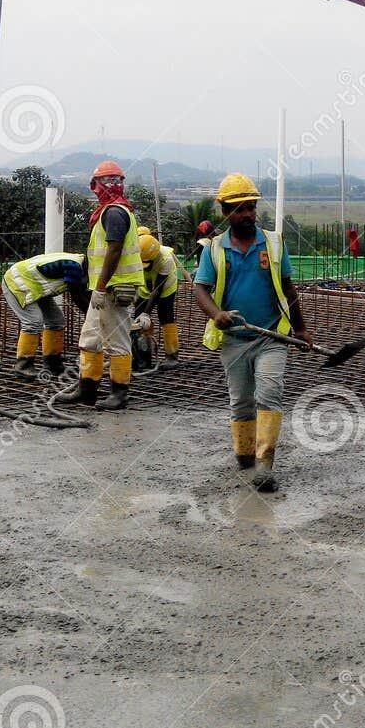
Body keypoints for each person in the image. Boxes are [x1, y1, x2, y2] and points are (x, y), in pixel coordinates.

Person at [193, 173, 313, 492]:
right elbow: (200, 289)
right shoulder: (214, 250)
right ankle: (245, 455)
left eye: (251, 207)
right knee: (241, 400)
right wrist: (216, 315)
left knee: (269, 392)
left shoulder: (273, 243)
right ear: (225, 212)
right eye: (240, 209)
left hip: (271, 337)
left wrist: (301, 328)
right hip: (234, 339)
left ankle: (264, 464)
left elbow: (288, 287)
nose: (247, 214)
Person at [55, 160, 145, 411]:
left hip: (115, 289)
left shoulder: (114, 212)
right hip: (104, 290)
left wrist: (101, 287)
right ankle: (87, 389)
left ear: (97, 186)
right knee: (91, 339)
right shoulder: (109, 212)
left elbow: (115, 250)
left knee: (116, 341)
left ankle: (120, 393)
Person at [1, 251, 87, 378]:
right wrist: (89, 316)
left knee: (56, 321)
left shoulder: (80, 263)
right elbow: (76, 294)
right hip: (16, 283)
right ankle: (23, 366)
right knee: (33, 323)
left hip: (34, 287)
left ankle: (53, 363)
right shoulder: (74, 266)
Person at [136, 226, 184, 368]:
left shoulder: (165, 259)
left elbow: (157, 289)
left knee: (166, 316)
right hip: (145, 286)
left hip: (165, 288)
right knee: (138, 319)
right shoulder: (137, 252)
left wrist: (147, 313)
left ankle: (172, 356)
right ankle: (144, 357)